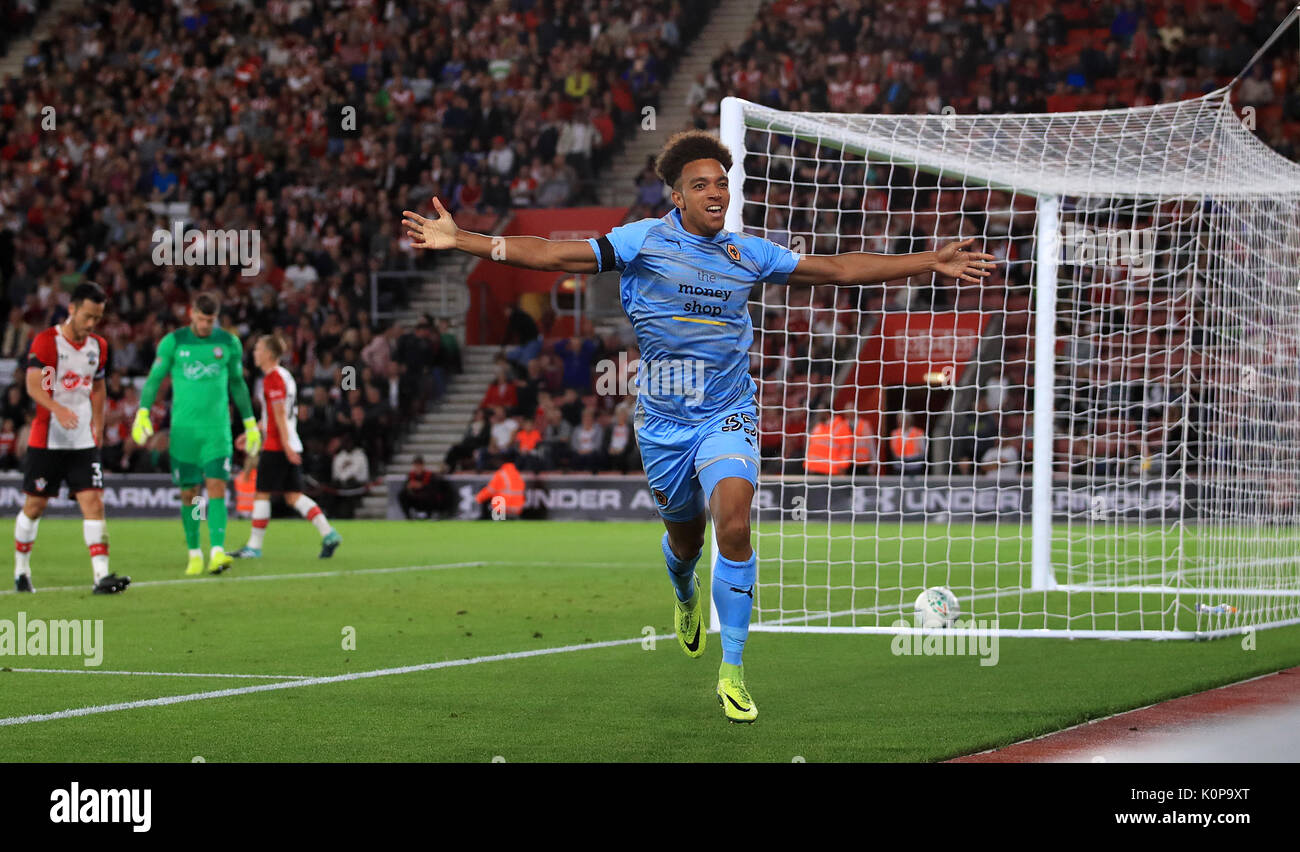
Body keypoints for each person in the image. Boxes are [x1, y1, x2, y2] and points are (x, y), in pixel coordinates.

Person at [402, 128, 992, 722]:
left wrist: (930, 261)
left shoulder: (748, 254)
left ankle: (732, 670)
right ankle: (683, 589)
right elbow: (554, 256)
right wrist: (461, 241)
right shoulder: (643, 242)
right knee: (686, 543)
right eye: (701, 184)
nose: (717, 192)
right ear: (677, 198)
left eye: (722, 183)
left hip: (727, 414)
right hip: (662, 422)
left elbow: (837, 268)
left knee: (733, 525)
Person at [132, 291, 261, 577]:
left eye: (211, 320)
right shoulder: (174, 342)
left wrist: (250, 422)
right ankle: (194, 551)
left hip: (217, 431)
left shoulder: (228, 343)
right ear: (191, 314)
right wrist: (142, 412)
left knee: (216, 487)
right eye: (202, 320)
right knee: (190, 494)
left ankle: (217, 551)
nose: (205, 326)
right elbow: (155, 379)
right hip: (184, 433)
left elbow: (238, 384)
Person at [14, 282, 130, 594]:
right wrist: (58, 409)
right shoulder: (46, 341)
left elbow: (98, 388)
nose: (92, 324)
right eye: (88, 316)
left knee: (93, 503)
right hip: (47, 438)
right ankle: (21, 570)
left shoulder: (99, 347)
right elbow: (33, 385)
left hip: (82, 440)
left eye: (98, 318)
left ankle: (101, 577)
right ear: (72, 310)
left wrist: (99, 426)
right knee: (35, 506)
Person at [231, 334, 342, 559]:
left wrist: (284, 446)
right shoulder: (286, 376)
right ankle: (328, 533)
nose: (254, 353)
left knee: (261, 493)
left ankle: (254, 546)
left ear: (269, 354)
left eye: (258, 349)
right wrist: (253, 432)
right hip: (288, 441)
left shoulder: (272, 378)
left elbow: (280, 415)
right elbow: (274, 415)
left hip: (277, 445)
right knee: (293, 496)